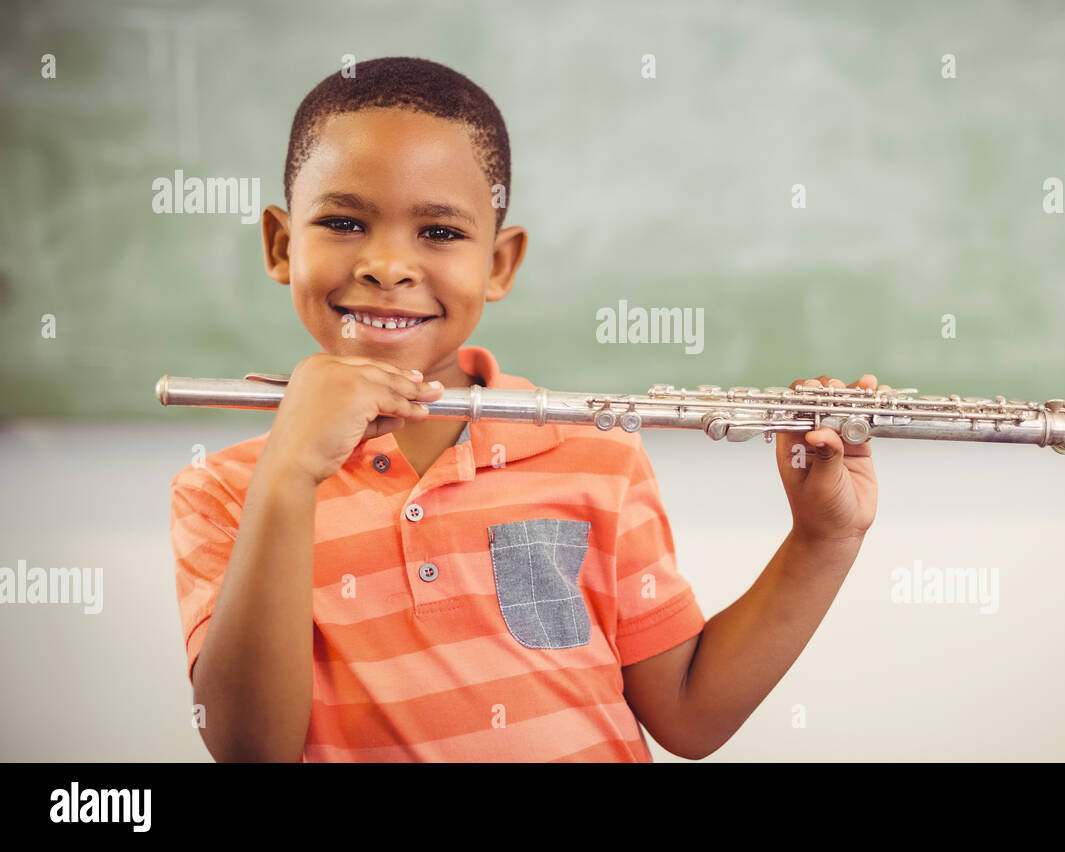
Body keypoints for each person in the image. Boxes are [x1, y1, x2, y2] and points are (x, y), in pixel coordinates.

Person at [169, 56, 884, 762]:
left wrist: (823, 542)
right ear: (280, 244)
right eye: (345, 223)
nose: (387, 264)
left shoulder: (594, 453)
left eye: (441, 232)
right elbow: (248, 749)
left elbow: (690, 717)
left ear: (500, 263)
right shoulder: (228, 492)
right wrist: (290, 476)